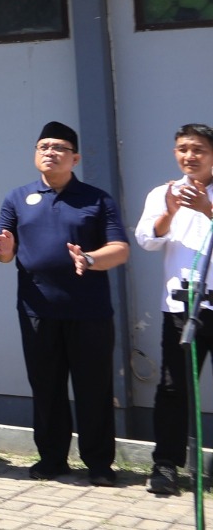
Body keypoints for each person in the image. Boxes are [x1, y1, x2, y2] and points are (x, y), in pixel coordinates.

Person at [0, 120, 129, 485]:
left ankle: (99, 464)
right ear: (36, 154)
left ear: (75, 157)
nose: (50, 152)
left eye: (58, 148)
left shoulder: (97, 199)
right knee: (46, 387)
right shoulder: (17, 198)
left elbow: (120, 249)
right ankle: (52, 459)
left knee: (93, 388)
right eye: (43, 147)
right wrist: (4, 253)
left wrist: (92, 259)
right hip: (37, 311)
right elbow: (6, 252)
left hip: (89, 312)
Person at [136, 122, 213, 496]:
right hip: (181, 306)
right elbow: (146, 240)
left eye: (198, 149)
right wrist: (167, 213)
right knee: (172, 388)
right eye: (183, 148)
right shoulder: (162, 193)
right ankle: (165, 466)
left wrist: (208, 208)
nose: (190, 156)